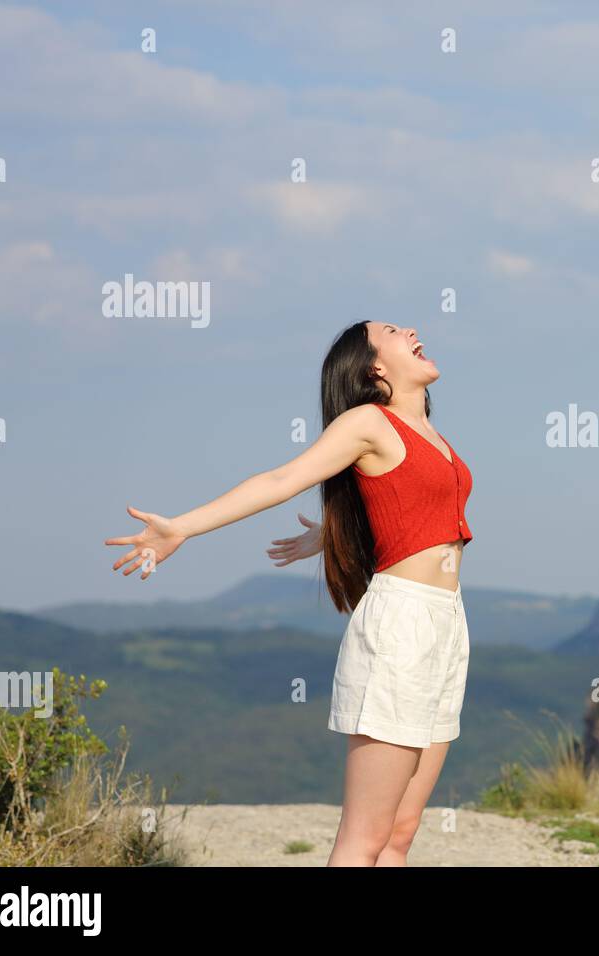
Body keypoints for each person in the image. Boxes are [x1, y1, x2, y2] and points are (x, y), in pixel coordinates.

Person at [104, 321, 474, 866]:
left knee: (401, 831)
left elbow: (407, 504)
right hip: (402, 625)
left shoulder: (432, 434)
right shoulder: (368, 421)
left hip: (447, 623)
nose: (413, 330)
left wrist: (331, 533)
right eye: (394, 331)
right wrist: (182, 526)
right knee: (364, 839)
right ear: (374, 366)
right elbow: (281, 480)